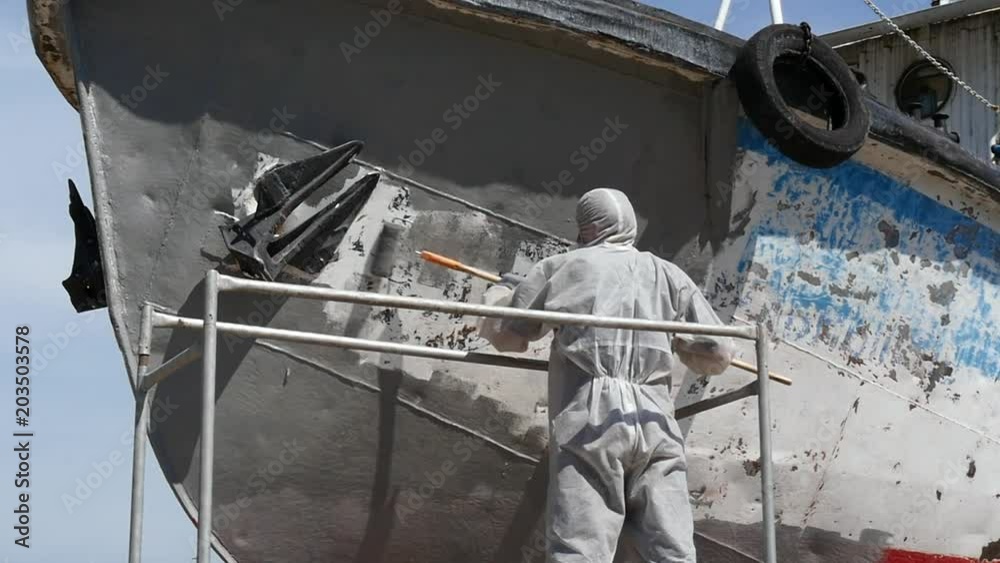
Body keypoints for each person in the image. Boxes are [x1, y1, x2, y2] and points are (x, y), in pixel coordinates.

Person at [478, 188, 735, 563]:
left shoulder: (564, 266)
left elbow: (511, 332)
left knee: (581, 546)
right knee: (672, 547)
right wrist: (676, 338)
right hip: (656, 420)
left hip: (592, 421)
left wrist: (502, 294)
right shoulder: (669, 274)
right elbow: (720, 350)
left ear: (587, 227)